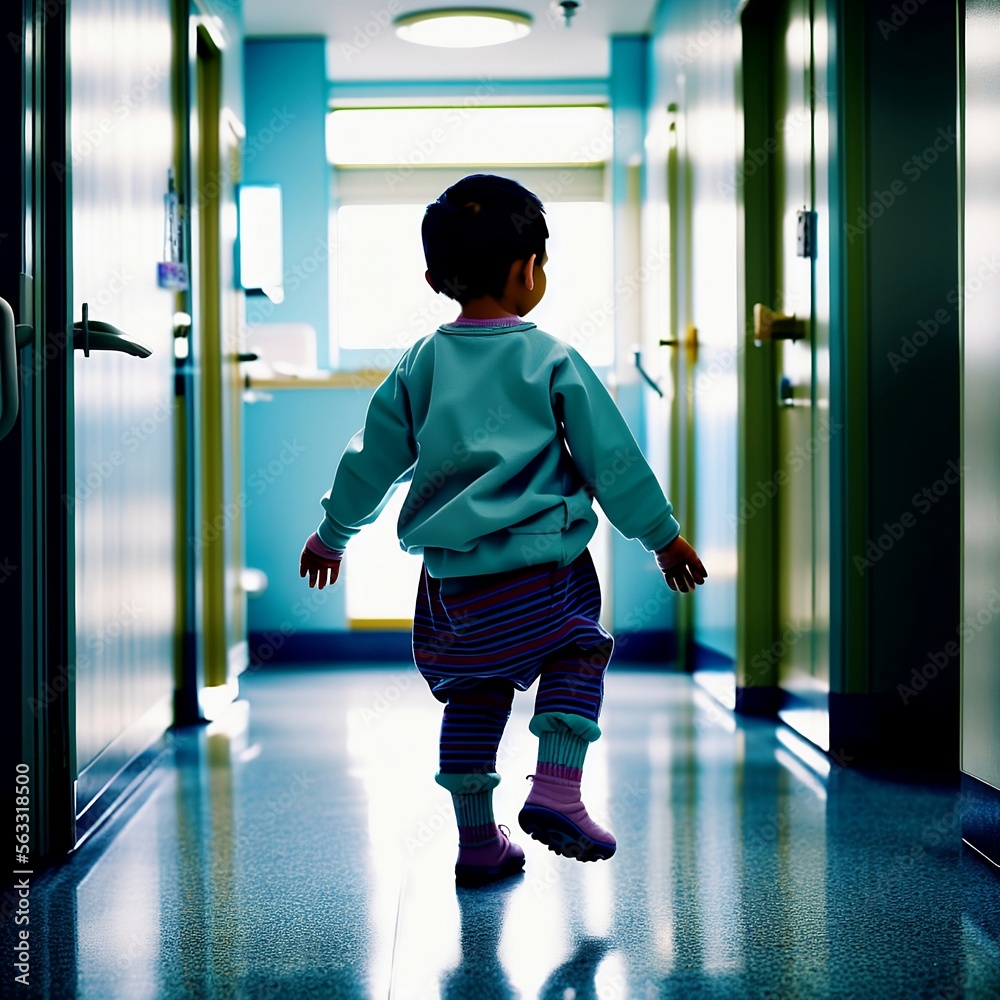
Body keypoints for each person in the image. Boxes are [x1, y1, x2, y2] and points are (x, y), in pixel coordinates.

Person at [299, 173, 707, 888]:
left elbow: (372, 462)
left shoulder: (421, 363)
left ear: (435, 278)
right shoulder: (550, 357)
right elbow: (611, 460)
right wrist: (661, 535)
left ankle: (478, 843)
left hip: (454, 585)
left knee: (473, 692)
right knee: (578, 652)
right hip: (546, 569)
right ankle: (557, 788)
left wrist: (333, 534)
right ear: (529, 270)